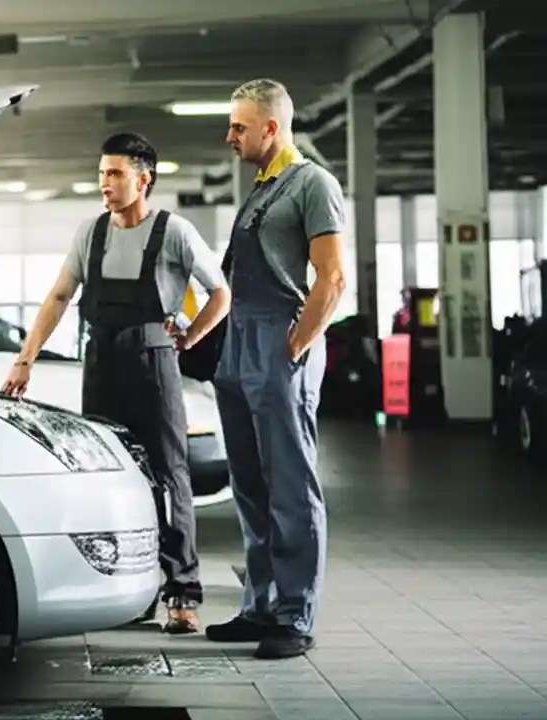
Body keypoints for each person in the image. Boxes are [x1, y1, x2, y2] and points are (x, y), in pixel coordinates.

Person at [1, 132, 231, 634]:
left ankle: (182, 593)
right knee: (107, 473)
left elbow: (221, 293)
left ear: (143, 179)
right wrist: (25, 359)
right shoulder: (91, 233)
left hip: (154, 362)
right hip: (101, 361)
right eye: (102, 173)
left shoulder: (175, 231)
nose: (104, 183)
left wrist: (190, 337)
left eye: (115, 173)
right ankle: (122, 589)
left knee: (169, 476)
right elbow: (59, 296)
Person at [203, 78, 348, 659]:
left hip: (279, 342)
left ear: (271, 127)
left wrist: (294, 347)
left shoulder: (313, 183)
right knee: (250, 485)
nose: (230, 136)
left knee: (289, 484)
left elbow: (332, 278)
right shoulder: (261, 188)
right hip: (239, 344)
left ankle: (294, 615)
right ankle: (260, 607)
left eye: (238, 127)